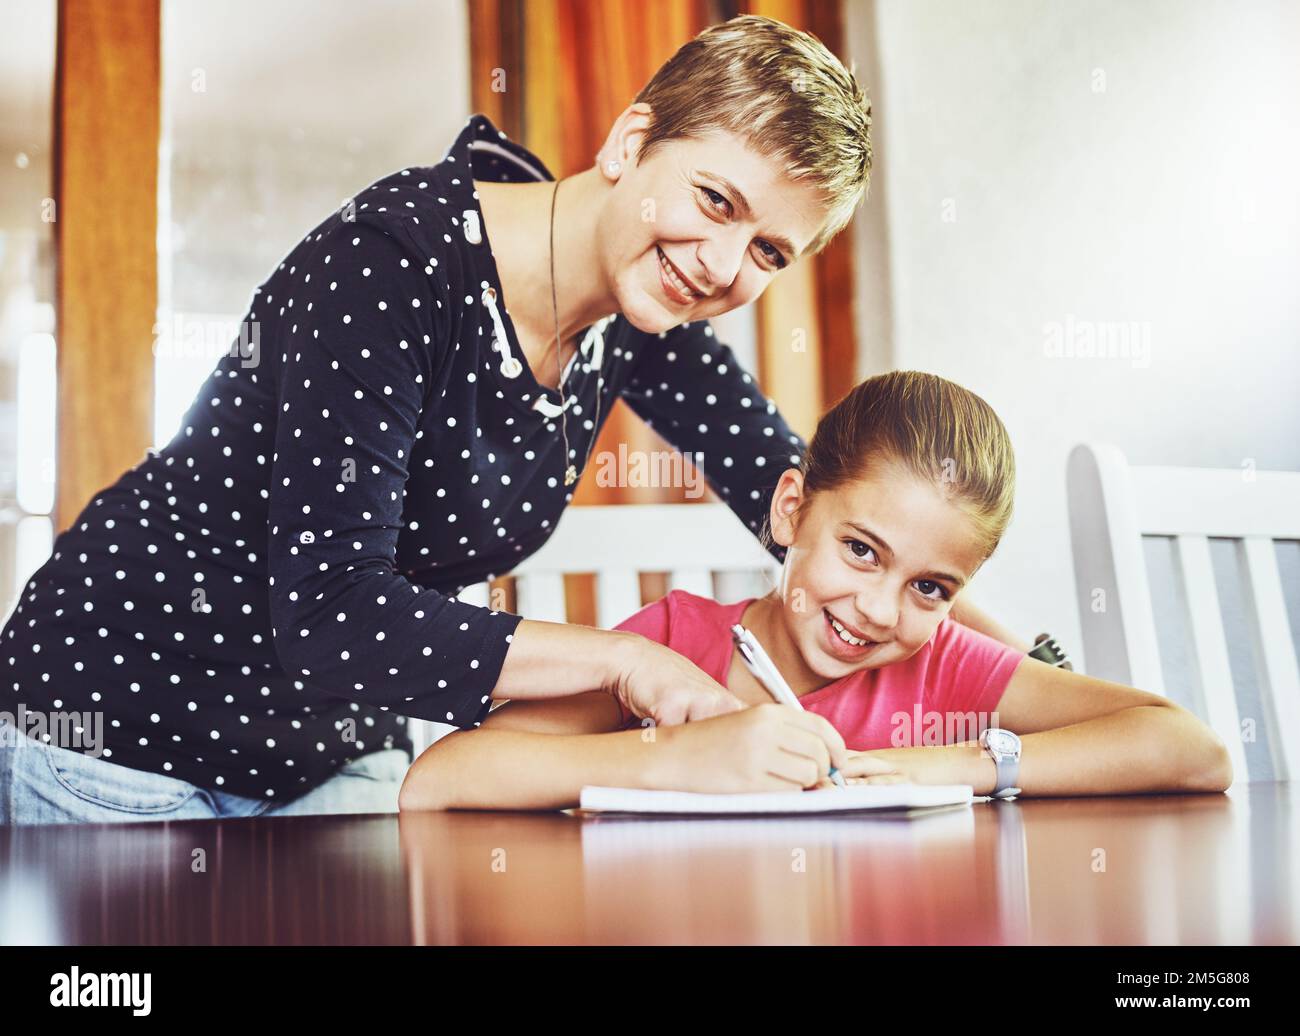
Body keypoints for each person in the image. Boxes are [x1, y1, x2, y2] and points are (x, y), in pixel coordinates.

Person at [1, 16, 1019, 825]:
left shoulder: (637, 307)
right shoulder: (394, 267)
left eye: (767, 253)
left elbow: (817, 499)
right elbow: (329, 617)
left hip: (327, 757)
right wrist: (628, 661)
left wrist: (1000, 657)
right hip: (121, 732)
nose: (720, 263)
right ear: (630, 142)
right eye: (715, 199)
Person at [397, 371, 1233, 811]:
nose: (878, 610)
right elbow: (442, 783)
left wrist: (941, 770)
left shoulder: (942, 667)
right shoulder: (672, 648)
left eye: (931, 586)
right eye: (862, 550)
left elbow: (1192, 750)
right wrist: (677, 757)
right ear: (793, 510)